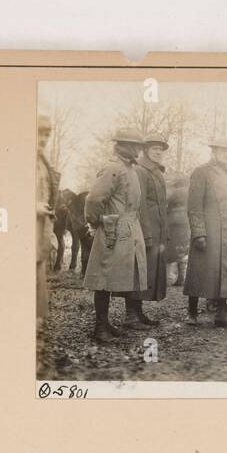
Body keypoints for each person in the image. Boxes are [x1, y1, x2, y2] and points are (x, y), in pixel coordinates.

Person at [83, 127, 148, 343]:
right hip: (113, 230)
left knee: (115, 277)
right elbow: (93, 200)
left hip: (129, 228)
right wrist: (99, 221)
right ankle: (99, 327)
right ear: (123, 145)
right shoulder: (113, 168)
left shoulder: (130, 169)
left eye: (139, 145)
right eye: (135, 145)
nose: (138, 149)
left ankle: (106, 323)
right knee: (104, 277)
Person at [184, 137, 227, 328]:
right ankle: (192, 312)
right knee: (200, 271)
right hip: (209, 231)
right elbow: (194, 206)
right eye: (223, 151)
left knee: (225, 273)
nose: (226, 155)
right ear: (214, 152)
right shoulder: (201, 172)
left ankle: (221, 315)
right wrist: (199, 233)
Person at [123, 133, 170, 325]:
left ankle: (138, 312)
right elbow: (139, 203)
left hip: (157, 228)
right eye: (154, 149)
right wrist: (146, 233)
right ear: (145, 150)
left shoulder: (156, 172)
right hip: (144, 228)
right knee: (138, 270)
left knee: (147, 272)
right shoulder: (141, 171)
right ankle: (130, 315)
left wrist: (164, 231)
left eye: (161, 149)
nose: (158, 152)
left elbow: (161, 204)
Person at [36, 114, 57, 336]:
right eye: (39, 133)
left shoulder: (42, 161)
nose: (43, 139)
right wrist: (34, 206)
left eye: (46, 134)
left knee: (38, 274)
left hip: (40, 228)